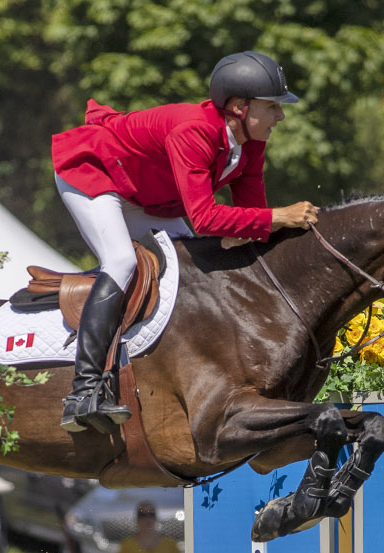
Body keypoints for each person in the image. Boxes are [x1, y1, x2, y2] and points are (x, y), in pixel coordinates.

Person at [50, 50, 321, 433]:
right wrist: (279, 216)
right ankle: (85, 391)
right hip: (96, 174)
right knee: (122, 262)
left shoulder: (251, 142)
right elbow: (207, 218)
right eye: (273, 107)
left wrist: (286, 230)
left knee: (190, 262)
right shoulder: (194, 130)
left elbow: (250, 221)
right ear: (240, 107)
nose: (281, 116)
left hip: (147, 195)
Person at [111, 501, 184, 553]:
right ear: (137, 519)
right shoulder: (127, 545)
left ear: (156, 518)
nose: (147, 519)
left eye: (151, 514)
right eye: (143, 515)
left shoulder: (170, 544)